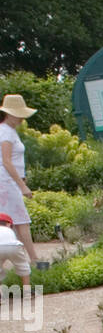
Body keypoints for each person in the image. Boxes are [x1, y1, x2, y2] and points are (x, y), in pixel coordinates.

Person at [0, 93, 38, 283]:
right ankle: (34, 262)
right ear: (10, 114)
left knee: (12, 223)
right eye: (19, 114)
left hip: (8, 183)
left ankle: (25, 264)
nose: (22, 118)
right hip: (7, 183)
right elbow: (6, 161)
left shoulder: (9, 131)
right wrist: (22, 185)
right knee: (21, 222)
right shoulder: (5, 132)